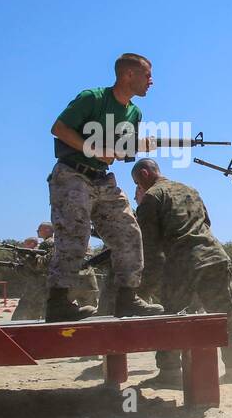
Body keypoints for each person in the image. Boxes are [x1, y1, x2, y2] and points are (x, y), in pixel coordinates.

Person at [46, 53, 164, 322]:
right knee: (74, 236)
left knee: (129, 232)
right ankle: (58, 303)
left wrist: (138, 146)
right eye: (147, 75)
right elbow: (59, 128)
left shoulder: (134, 112)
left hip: (102, 177)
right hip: (72, 174)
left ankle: (126, 299)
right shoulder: (93, 98)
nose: (151, 81)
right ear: (128, 75)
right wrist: (94, 148)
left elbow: (119, 152)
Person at [129, 159, 232, 385]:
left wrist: (145, 286)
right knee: (225, 316)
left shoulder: (152, 198)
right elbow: (207, 222)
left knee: (171, 316)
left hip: (184, 263)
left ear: (145, 174)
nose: (139, 187)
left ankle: (170, 372)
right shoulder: (190, 190)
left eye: (137, 182)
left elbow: (150, 247)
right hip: (216, 256)